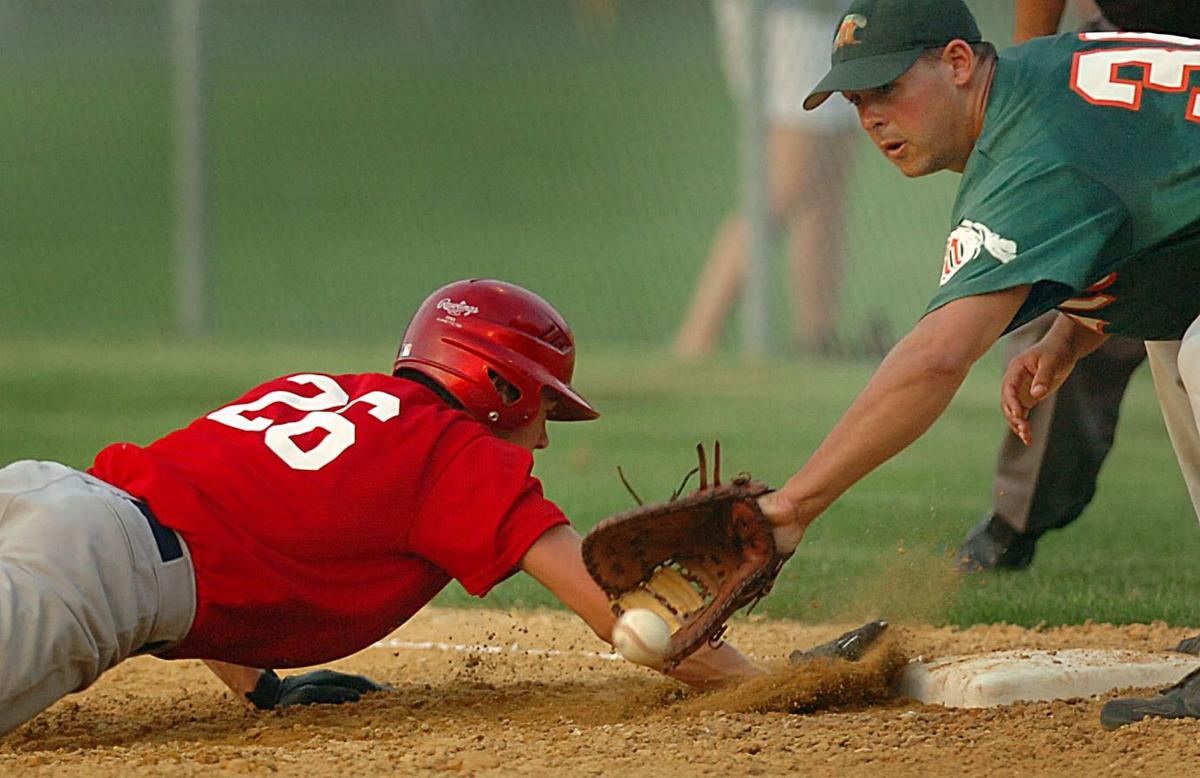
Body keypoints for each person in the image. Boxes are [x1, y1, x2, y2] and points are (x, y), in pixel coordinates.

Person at [0, 279, 760, 736]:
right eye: (543, 411)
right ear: (503, 388)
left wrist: (263, 686)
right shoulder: (457, 451)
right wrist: (767, 684)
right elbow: (621, 620)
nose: (543, 441)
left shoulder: (333, 391)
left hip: (49, 495)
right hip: (89, 573)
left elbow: (206, 528)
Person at [750, 0, 1200, 728]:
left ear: (958, 63)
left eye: (888, 87)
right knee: (1176, 340)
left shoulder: (1031, 144)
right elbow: (1165, 200)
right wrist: (1066, 338)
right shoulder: (1041, 82)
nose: (870, 117)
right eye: (856, 100)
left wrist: (793, 507)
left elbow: (935, 359)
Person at [956, 0, 1200, 572]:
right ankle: (1017, 517)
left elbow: (937, 356)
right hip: (1135, 61)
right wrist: (1031, 80)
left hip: (1167, 81)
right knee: (1161, 333)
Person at [673, 0, 857, 359]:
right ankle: (696, 341)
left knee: (827, 189)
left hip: (834, 19)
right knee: (786, 185)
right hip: (787, 20)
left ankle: (818, 341)